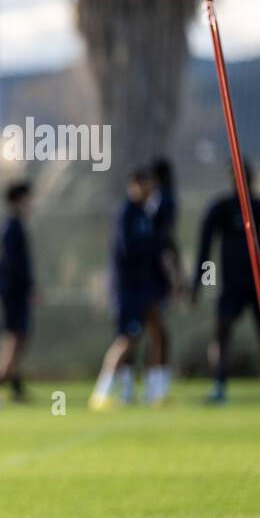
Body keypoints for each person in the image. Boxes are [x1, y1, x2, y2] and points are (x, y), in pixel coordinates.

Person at [90, 167, 158, 411]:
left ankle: (126, 391)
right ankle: (102, 391)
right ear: (136, 185)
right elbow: (127, 251)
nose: (151, 190)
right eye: (147, 184)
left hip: (139, 287)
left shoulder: (143, 213)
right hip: (126, 288)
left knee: (135, 336)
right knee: (126, 338)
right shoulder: (126, 213)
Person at [193, 160, 260, 403]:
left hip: (258, 282)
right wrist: (199, 282)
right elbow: (205, 248)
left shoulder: (257, 208)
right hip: (231, 285)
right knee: (222, 333)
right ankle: (219, 386)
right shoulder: (221, 208)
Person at [0, 180, 35, 402]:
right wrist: (25, 288)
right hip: (12, 292)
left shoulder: (15, 225)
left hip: (14, 290)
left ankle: (10, 382)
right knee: (14, 335)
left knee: (18, 335)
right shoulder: (11, 227)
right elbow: (11, 264)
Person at [143, 156, 181, 404]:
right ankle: (155, 391)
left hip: (154, 275)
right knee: (156, 334)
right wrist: (176, 273)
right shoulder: (162, 202)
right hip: (150, 277)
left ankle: (154, 388)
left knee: (156, 334)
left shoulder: (156, 202)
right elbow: (165, 241)